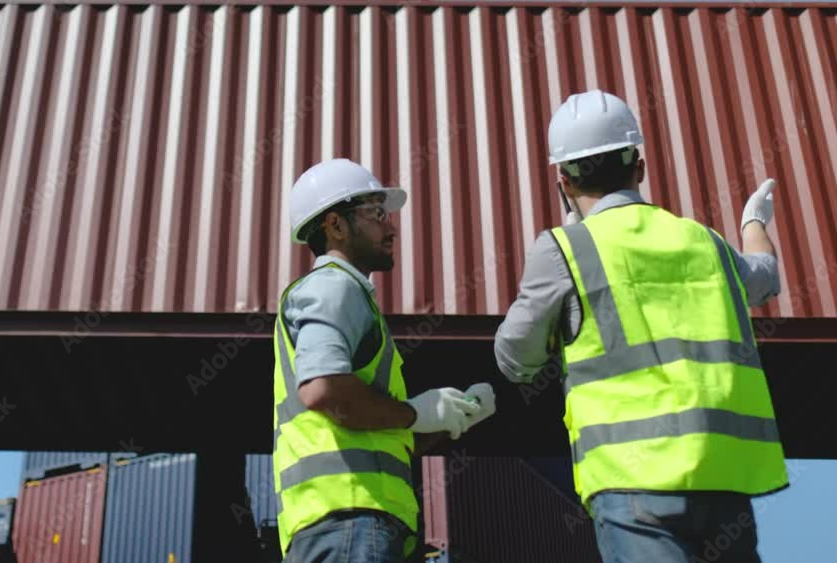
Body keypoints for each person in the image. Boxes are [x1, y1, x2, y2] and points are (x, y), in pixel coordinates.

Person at [494, 90, 788, 563]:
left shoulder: (564, 250)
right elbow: (765, 277)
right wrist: (753, 221)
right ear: (641, 168)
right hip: (723, 477)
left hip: (632, 481)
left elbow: (514, 358)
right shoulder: (704, 241)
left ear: (563, 181)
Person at [273, 158, 497, 562]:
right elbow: (322, 389)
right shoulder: (334, 288)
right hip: (351, 520)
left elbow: (373, 437)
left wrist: (445, 418)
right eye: (376, 214)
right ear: (335, 225)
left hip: (347, 521)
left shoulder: (345, 296)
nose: (390, 227)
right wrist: (415, 413)